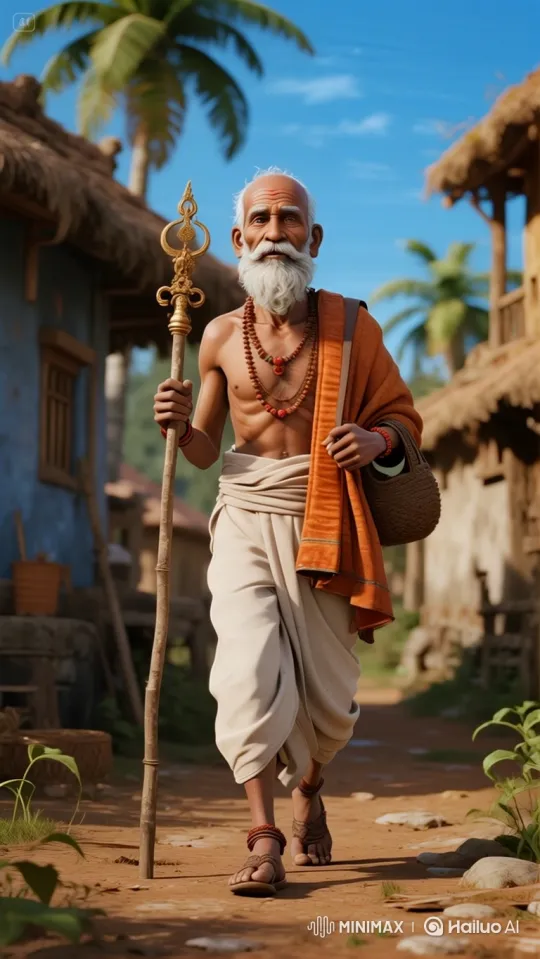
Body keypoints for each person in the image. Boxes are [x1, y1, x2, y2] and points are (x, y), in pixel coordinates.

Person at [153, 168, 422, 896]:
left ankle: (310, 781)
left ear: (315, 237)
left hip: (329, 518)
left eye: (290, 220)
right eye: (262, 222)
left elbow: (403, 418)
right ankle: (263, 834)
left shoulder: (354, 327)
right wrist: (180, 424)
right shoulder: (215, 336)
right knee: (244, 667)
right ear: (239, 239)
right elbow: (206, 447)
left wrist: (375, 442)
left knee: (327, 701)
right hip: (243, 514)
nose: (277, 233)